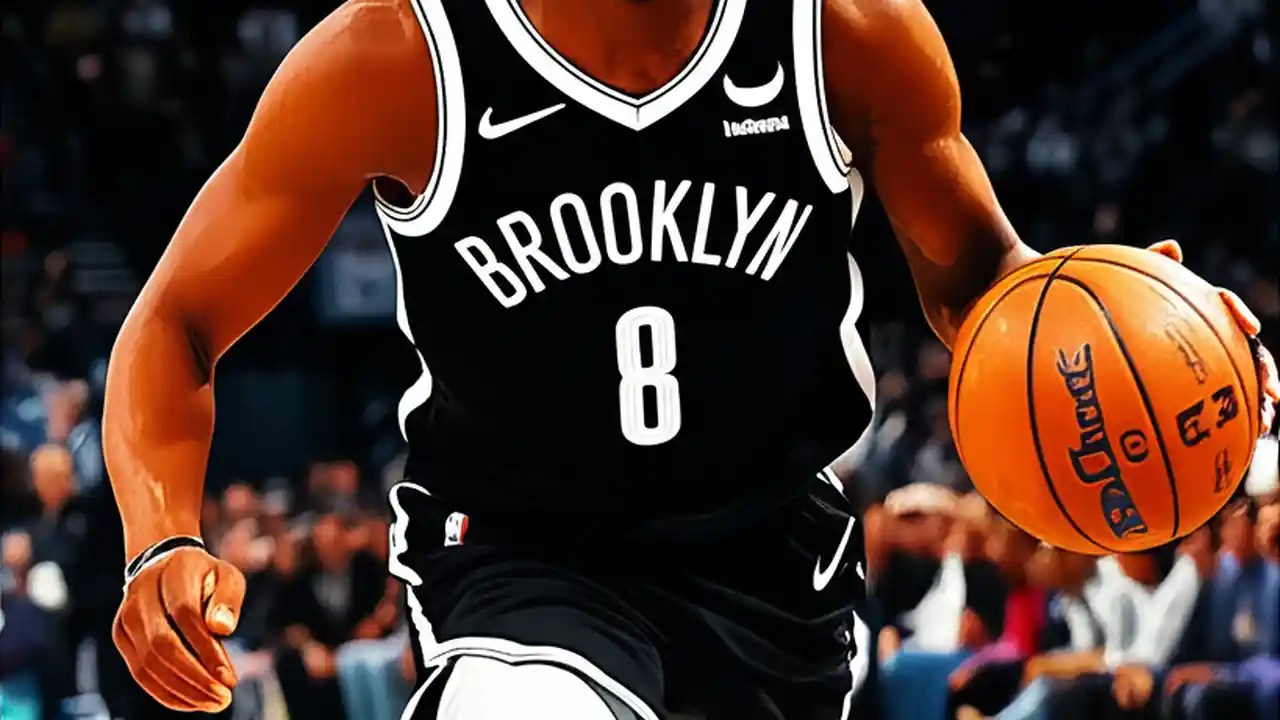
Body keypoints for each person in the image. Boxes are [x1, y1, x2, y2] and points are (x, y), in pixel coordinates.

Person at [101, 1, 1279, 718]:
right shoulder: (396, 54)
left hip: (771, 565)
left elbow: (983, 286)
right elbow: (175, 319)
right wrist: (160, 534)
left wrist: (1136, 326)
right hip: (523, 551)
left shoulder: (848, 32)